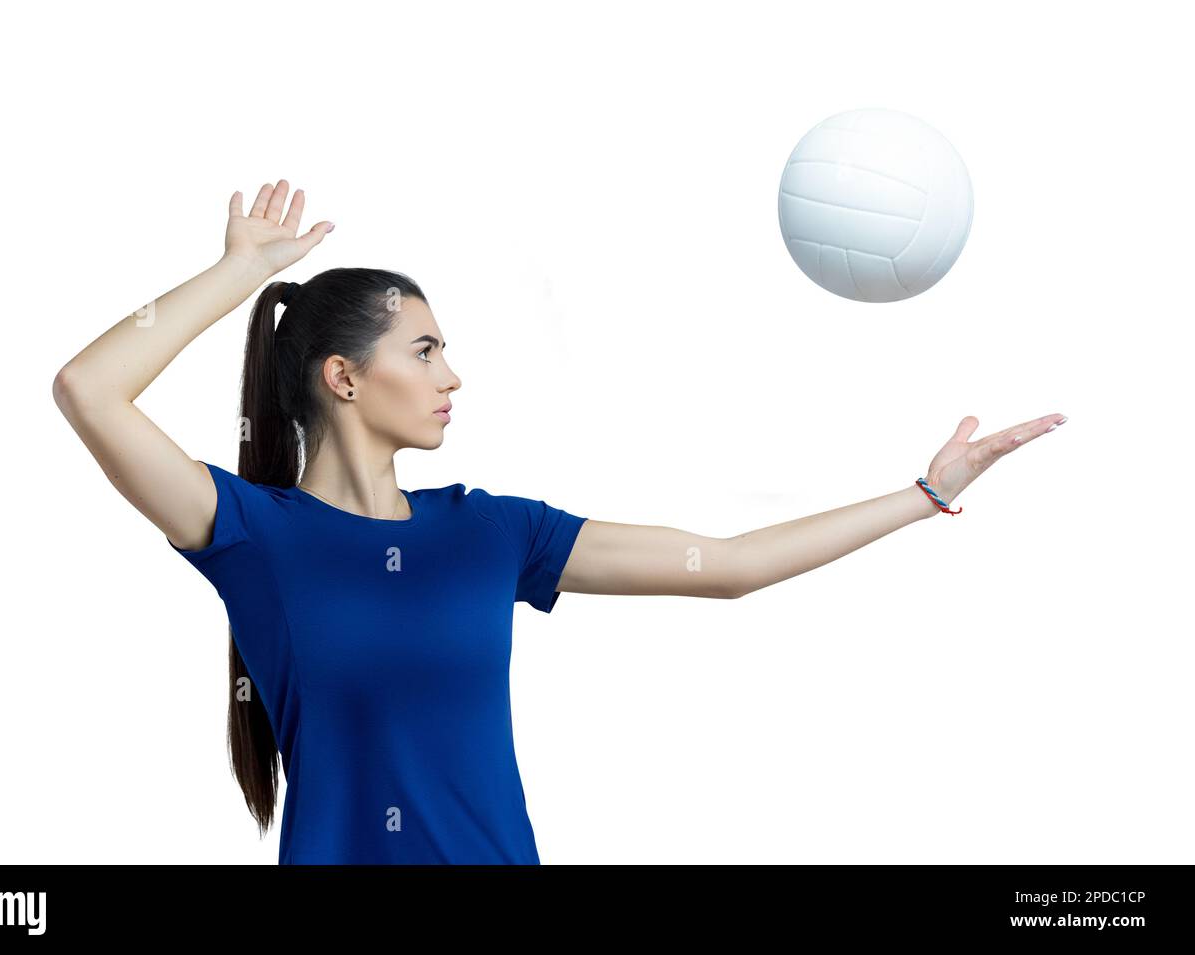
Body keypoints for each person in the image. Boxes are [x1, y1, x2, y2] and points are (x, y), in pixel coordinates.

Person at [52, 179, 1067, 864]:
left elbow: (726, 564)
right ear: (343, 377)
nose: (454, 376)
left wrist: (923, 494)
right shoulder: (251, 537)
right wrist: (240, 274)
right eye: (425, 350)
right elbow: (90, 389)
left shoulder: (493, 534)